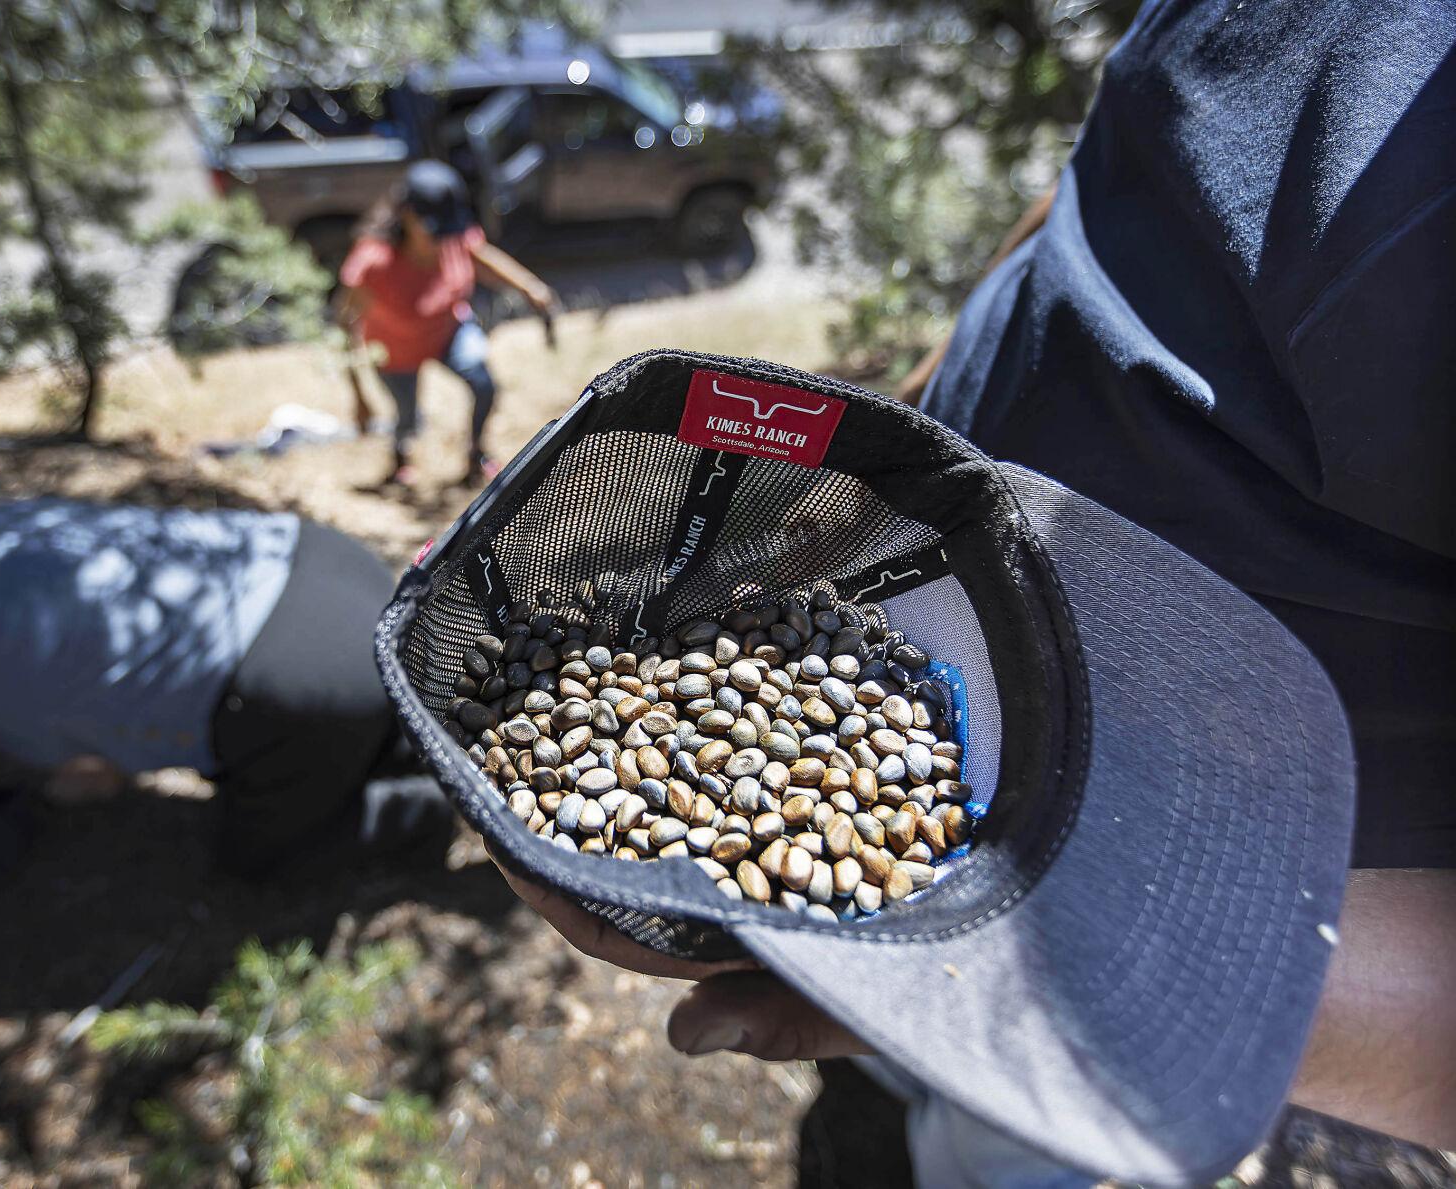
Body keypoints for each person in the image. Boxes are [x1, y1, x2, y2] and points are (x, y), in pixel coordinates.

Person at [498, 1, 1456, 1183]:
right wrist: (910, 430)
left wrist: (1155, 981)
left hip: (1154, 906)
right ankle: (885, 1073)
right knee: (871, 1024)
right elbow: (1115, 169)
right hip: (912, 650)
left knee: (994, 1145)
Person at [0, 499, 450, 882]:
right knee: (332, 733)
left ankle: (421, 808)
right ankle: (386, 739)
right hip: (324, 562)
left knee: (256, 860)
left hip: (295, 679)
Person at [337, 159, 556, 486]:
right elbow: (344, 323)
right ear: (407, 215)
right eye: (433, 231)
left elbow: (480, 253)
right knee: (408, 416)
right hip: (394, 352)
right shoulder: (373, 263)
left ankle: (476, 453)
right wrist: (358, 394)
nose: (443, 242)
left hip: (447, 331)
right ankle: (401, 458)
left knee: (484, 384)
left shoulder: (451, 235)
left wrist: (529, 287)